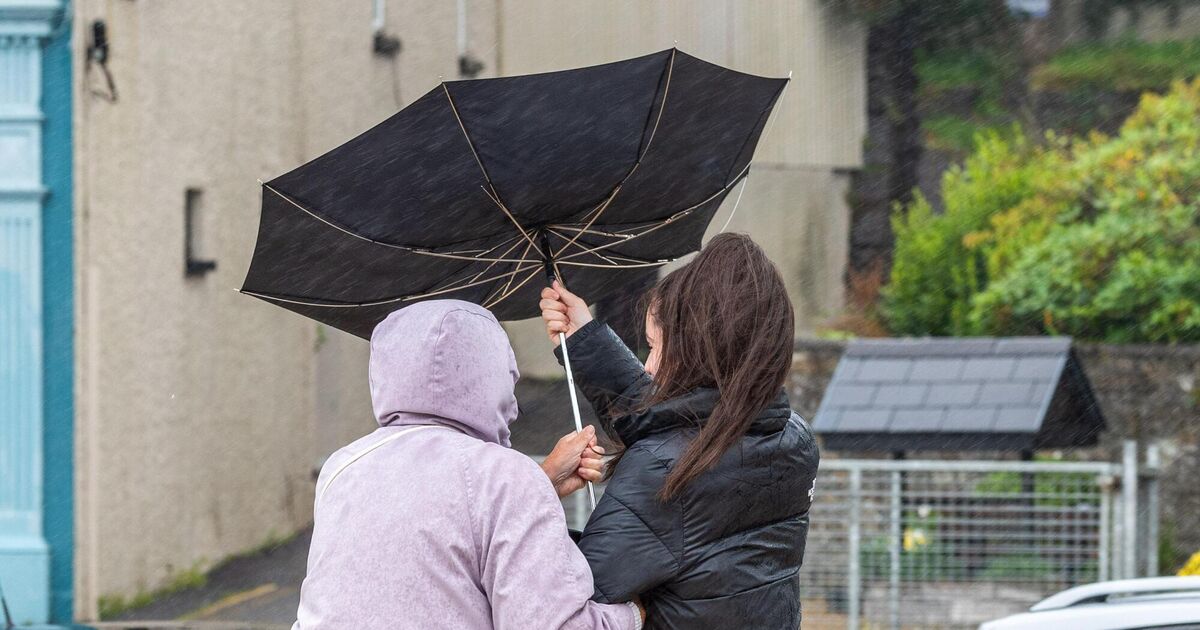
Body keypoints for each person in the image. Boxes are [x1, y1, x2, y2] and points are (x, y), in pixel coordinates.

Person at [293, 300, 643, 630]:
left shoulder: (342, 467)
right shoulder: (503, 477)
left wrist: (541, 484)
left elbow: (432, 527)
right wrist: (637, 612)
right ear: (490, 378)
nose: (515, 407)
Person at [540, 232, 820, 629]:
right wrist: (584, 339)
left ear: (697, 353)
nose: (649, 366)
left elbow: (572, 595)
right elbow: (688, 416)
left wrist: (534, 493)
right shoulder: (792, 439)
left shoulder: (666, 471)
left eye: (655, 346)